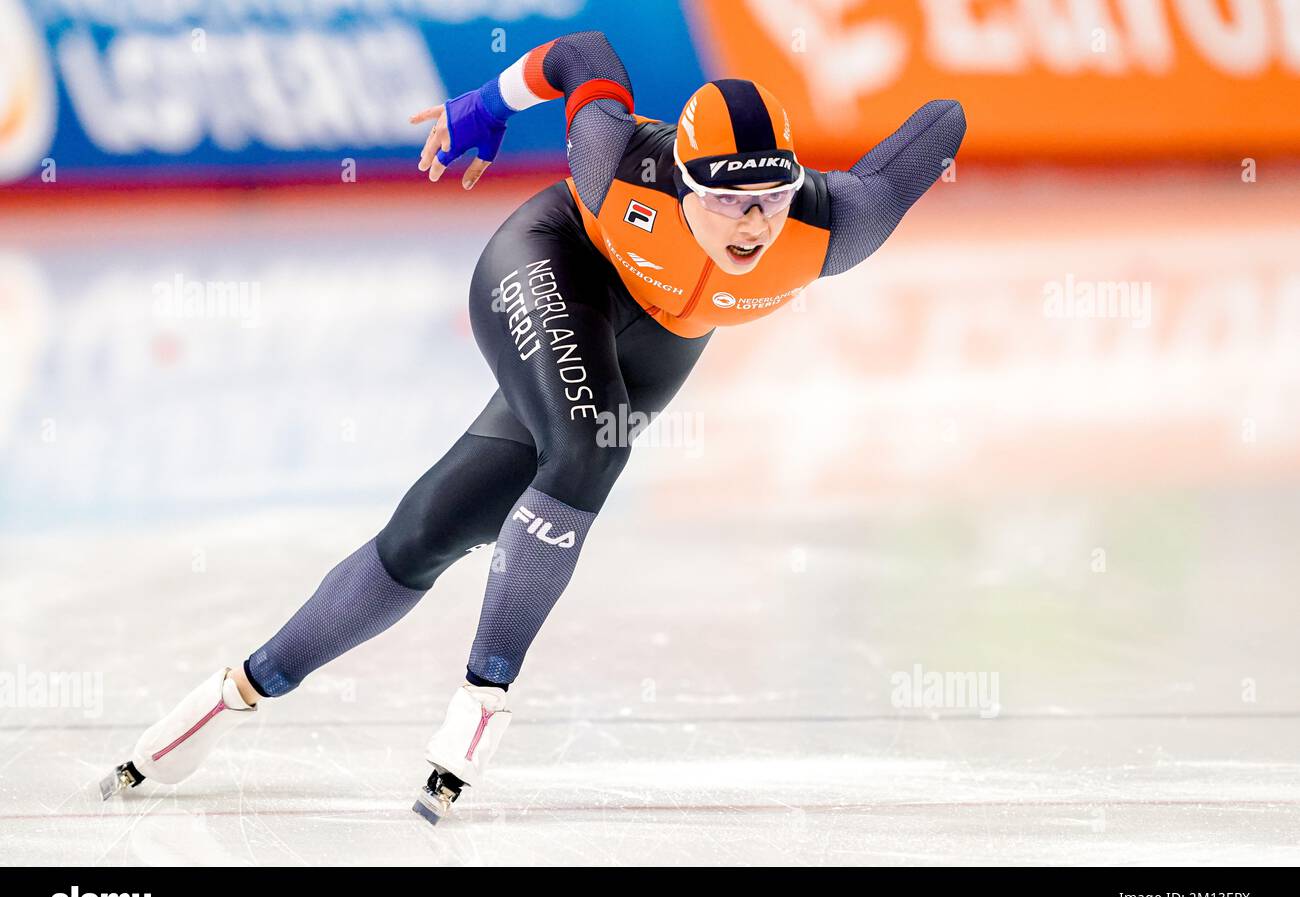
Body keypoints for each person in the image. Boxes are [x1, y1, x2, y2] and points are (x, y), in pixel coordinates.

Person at [100, 31, 966, 823]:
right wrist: (488, 105)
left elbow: (940, 124)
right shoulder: (616, 163)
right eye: (727, 200)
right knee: (588, 445)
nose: (754, 225)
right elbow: (587, 55)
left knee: (433, 531)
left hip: (662, 344)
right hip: (555, 263)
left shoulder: (833, 225)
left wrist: (946, 109)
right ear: (681, 181)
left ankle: (234, 693)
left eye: (770, 197)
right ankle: (484, 696)